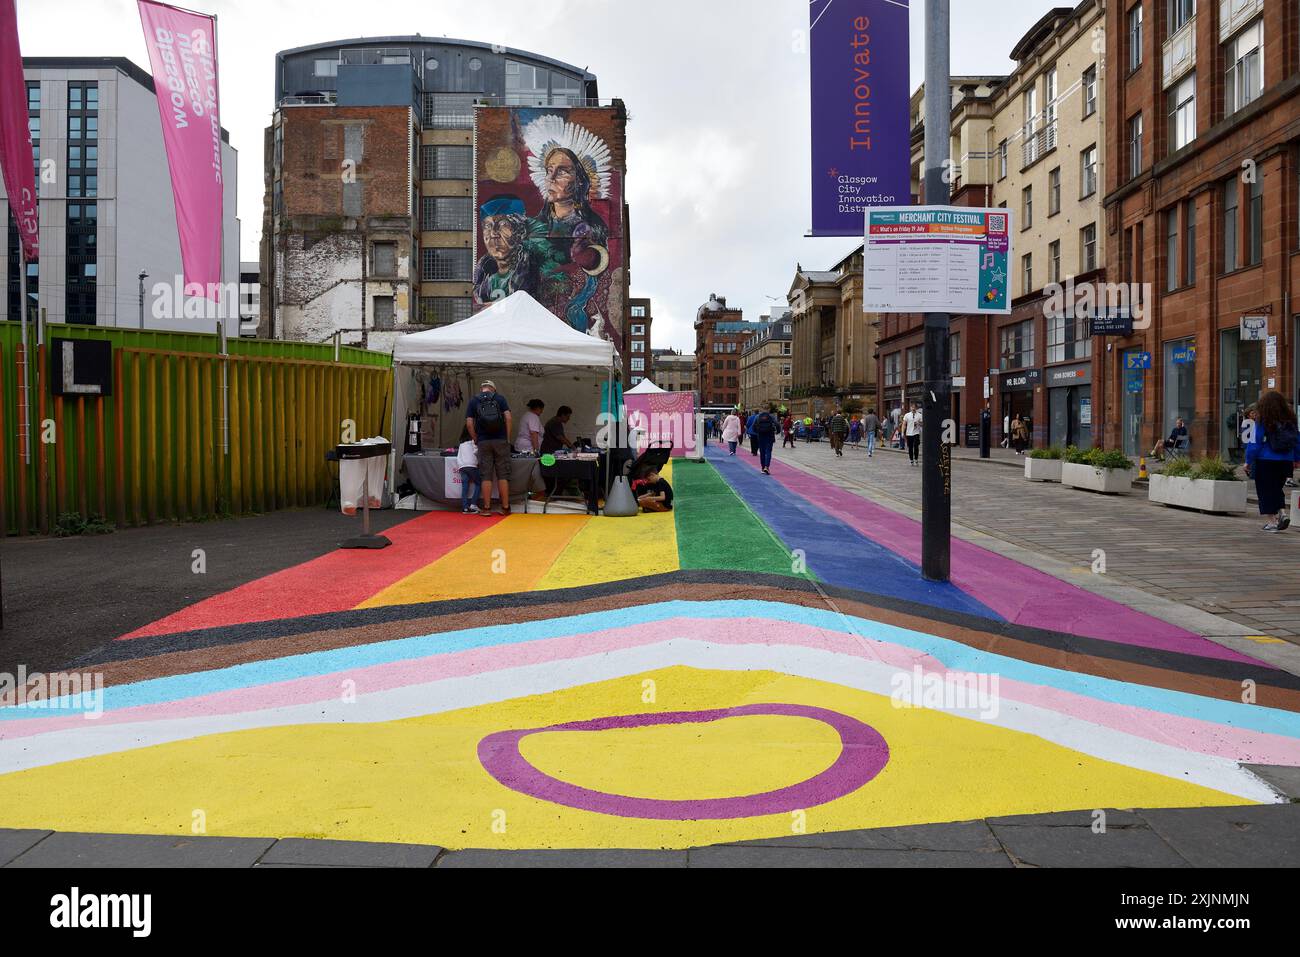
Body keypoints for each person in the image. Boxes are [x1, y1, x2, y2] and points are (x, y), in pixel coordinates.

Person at [1245, 391, 1299, 532]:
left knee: (1265, 491)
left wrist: (1248, 461)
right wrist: (1297, 458)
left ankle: (1272, 522)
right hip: (1286, 461)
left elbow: (1255, 442)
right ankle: (1282, 512)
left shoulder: (1263, 419)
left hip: (1266, 460)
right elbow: (1297, 441)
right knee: (1276, 488)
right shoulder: (1290, 419)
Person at [466, 380, 513, 516]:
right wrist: (507, 438)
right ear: (494, 389)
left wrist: (475, 438)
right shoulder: (500, 398)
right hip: (500, 440)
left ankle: (486, 508)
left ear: (482, 389)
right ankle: (505, 507)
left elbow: (469, 423)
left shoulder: (474, 401)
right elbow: (508, 418)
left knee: (486, 475)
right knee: (503, 474)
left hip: (483, 441)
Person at [455, 428, 481, 514]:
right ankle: (473, 504)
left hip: (462, 466)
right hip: (472, 465)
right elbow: (476, 452)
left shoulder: (461, 444)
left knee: (465, 487)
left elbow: (459, 456)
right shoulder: (473, 441)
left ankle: (465, 507)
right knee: (479, 483)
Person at [753, 406, 779, 474]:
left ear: (761, 409)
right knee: (768, 451)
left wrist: (758, 432)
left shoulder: (758, 417)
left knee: (762, 452)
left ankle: (762, 467)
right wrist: (777, 431)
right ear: (769, 409)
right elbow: (777, 424)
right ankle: (766, 467)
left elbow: (753, 427)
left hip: (761, 436)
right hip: (770, 435)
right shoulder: (771, 416)